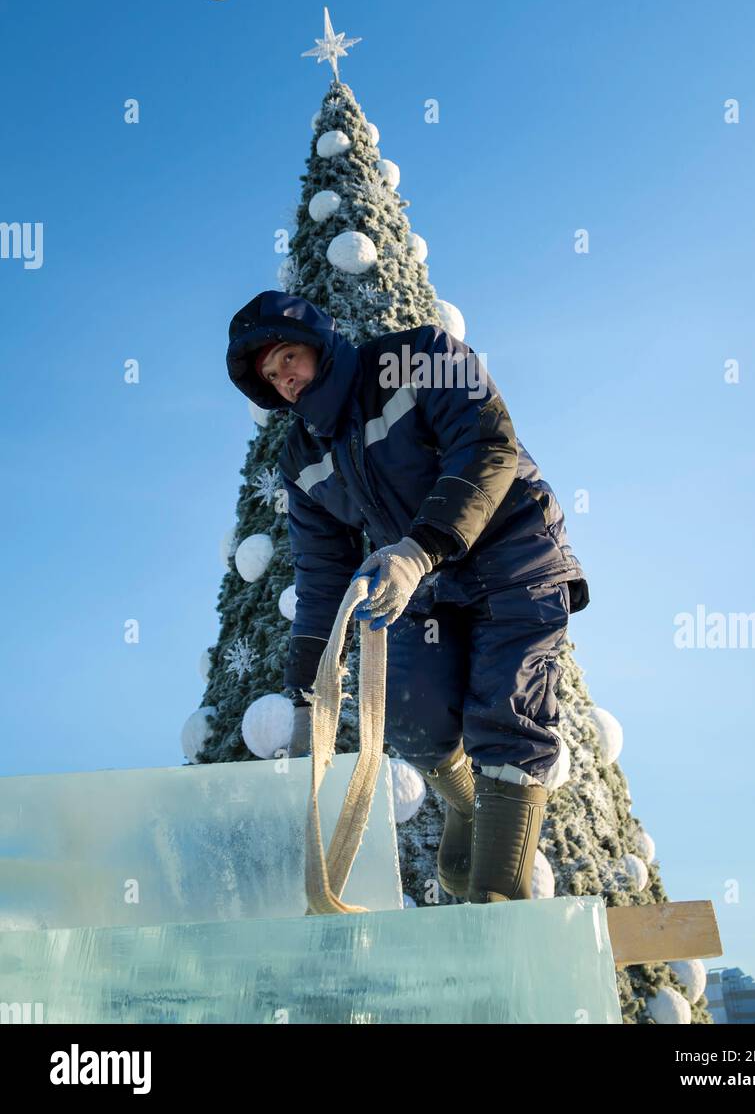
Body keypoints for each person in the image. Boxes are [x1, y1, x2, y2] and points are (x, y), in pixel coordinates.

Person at [226, 291, 589, 904]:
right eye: (269, 373)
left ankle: (495, 903)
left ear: (318, 342)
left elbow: (488, 445)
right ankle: (469, 807)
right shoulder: (303, 455)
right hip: (427, 589)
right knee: (412, 714)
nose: (283, 375)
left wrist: (421, 547)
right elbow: (322, 573)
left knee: (508, 709)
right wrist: (304, 692)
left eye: (288, 355)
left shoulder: (420, 357)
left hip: (513, 554)